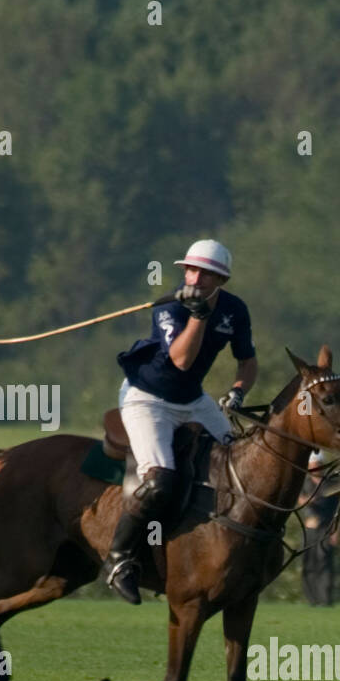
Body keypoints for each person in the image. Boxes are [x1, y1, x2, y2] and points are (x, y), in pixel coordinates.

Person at [104, 239, 258, 603]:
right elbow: (181, 361)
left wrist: (238, 391)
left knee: (237, 462)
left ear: (221, 279)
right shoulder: (172, 306)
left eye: (206, 273)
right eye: (191, 270)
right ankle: (119, 558)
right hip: (148, 399)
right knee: (159, 480)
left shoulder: (235, 310)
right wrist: (198, 316)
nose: (196, 277)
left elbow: (247, 361)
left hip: (192, 399)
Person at [298, 450, 340, 606]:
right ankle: (312, 600)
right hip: (309, 530)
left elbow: (337, 511)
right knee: (309, 564)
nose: (314, 470)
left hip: (325, 529)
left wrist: (335, 531)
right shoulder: (305, 484)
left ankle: (325, 600)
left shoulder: (330, 486)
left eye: (317, 466)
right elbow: (299, 500)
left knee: (324, 564)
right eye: (311, 467)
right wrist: (307, 500)